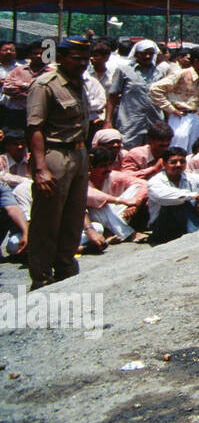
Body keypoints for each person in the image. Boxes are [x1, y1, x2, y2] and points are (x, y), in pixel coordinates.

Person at [24, 36, 92, 288]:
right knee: (47, 219)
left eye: (86, 59)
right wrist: (40, 168)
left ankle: (65, 268)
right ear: (60, 58)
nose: (83, 63)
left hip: (79, 154)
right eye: (77, 59)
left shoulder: (80, 83)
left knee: (74, 217)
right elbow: (35, 128)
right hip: (54, 156)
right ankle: (41, 276)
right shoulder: (45, 85)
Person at [147, 147, 199, 245]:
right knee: (179, 202)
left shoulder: (190, 178)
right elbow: (165, 196)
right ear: (164, 164)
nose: (178, 165)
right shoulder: (155, 181)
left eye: (182, 161)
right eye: (173, 162)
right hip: (162, 227)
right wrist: (195, 196)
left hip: (184, 221)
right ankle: (197, 235)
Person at [149, 47, 199, 153]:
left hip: (194, 116)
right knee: (178, 147)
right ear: (196, 62)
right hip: (180, 116)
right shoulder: (181, 74)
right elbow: (155, 89)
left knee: (193, 149)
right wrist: (170, 109)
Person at [108, 39, 165, 148]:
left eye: (151, 54)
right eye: (144, 53)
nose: (148, 56)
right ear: (136, 54)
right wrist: (108, 121)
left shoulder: (159, 73)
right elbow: (112, 96)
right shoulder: (124, 70)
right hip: (130, 122)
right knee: (128, 152)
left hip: (154, 121)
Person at [85, 146, 148, 242]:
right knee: (101, 203)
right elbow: (92, 195)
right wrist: (122, 201)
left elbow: (145, 184)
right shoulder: (83, 180)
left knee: (137, 187)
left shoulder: (113, 175)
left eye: (110, 165)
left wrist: (135, 204)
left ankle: (110, 233)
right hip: (91, 218)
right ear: (91, 167)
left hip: (115, 215)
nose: (108, 169)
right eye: (103, 166)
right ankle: (129, 234)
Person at [2, 41, 46, 135]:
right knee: (15, 140)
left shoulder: (51, 73)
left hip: (41, 114)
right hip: (17, 113)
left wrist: (21, 86)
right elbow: (7, 88)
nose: (38, 56)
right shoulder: (18, 70)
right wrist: (31, 89)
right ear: (29, 55)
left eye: (42, 53)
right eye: (35, 53)